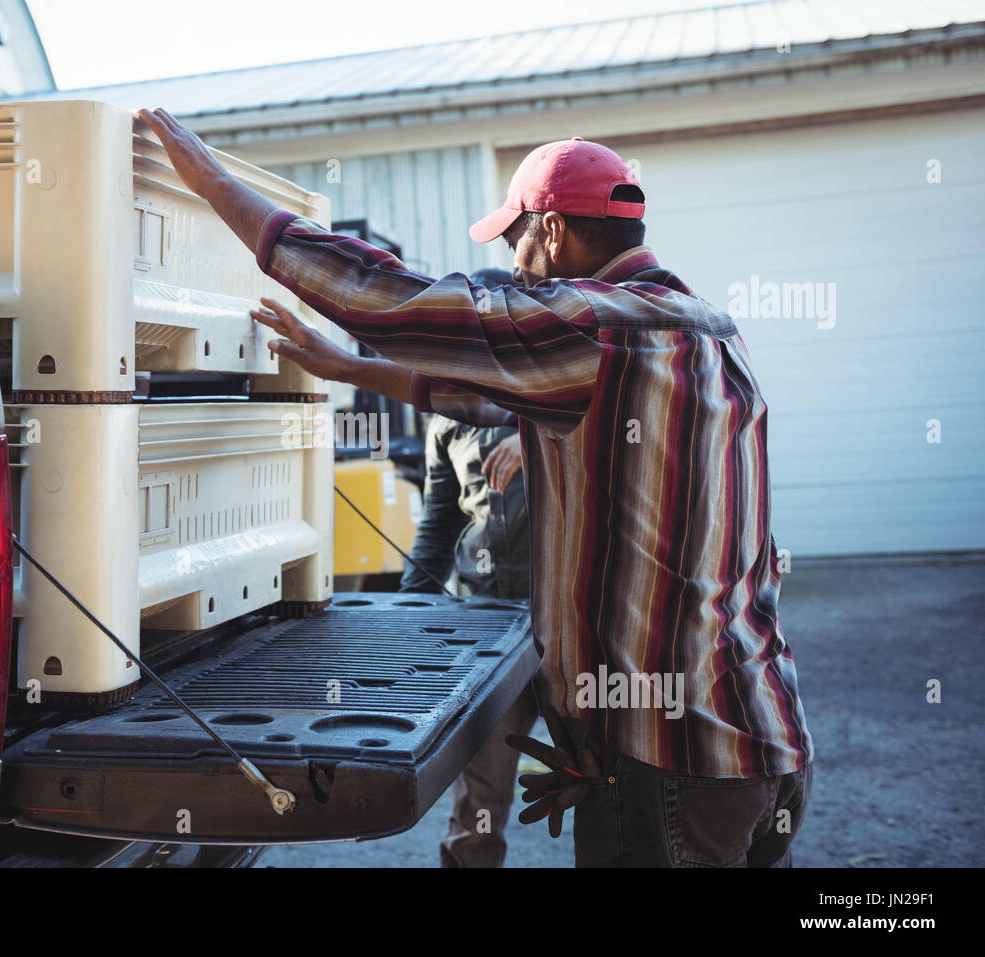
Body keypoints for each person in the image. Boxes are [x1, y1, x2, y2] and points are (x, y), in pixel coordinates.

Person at [138, 108, 814, 867]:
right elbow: (490, 396)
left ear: (552, 231)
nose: (516, 262)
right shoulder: (701, 326)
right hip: (759, 728)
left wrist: (213, 183)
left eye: (515, 238)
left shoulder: (594, 327)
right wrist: (352, 369)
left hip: (669, 756)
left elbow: (386, 295)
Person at [403, 267, 538, 868]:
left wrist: (538, 439)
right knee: (478, 802)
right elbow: (437, 527)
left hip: (573, 626)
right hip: (486, 632)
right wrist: (408, 613)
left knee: (605, 783)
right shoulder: (445, 420)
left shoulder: (560, 401)